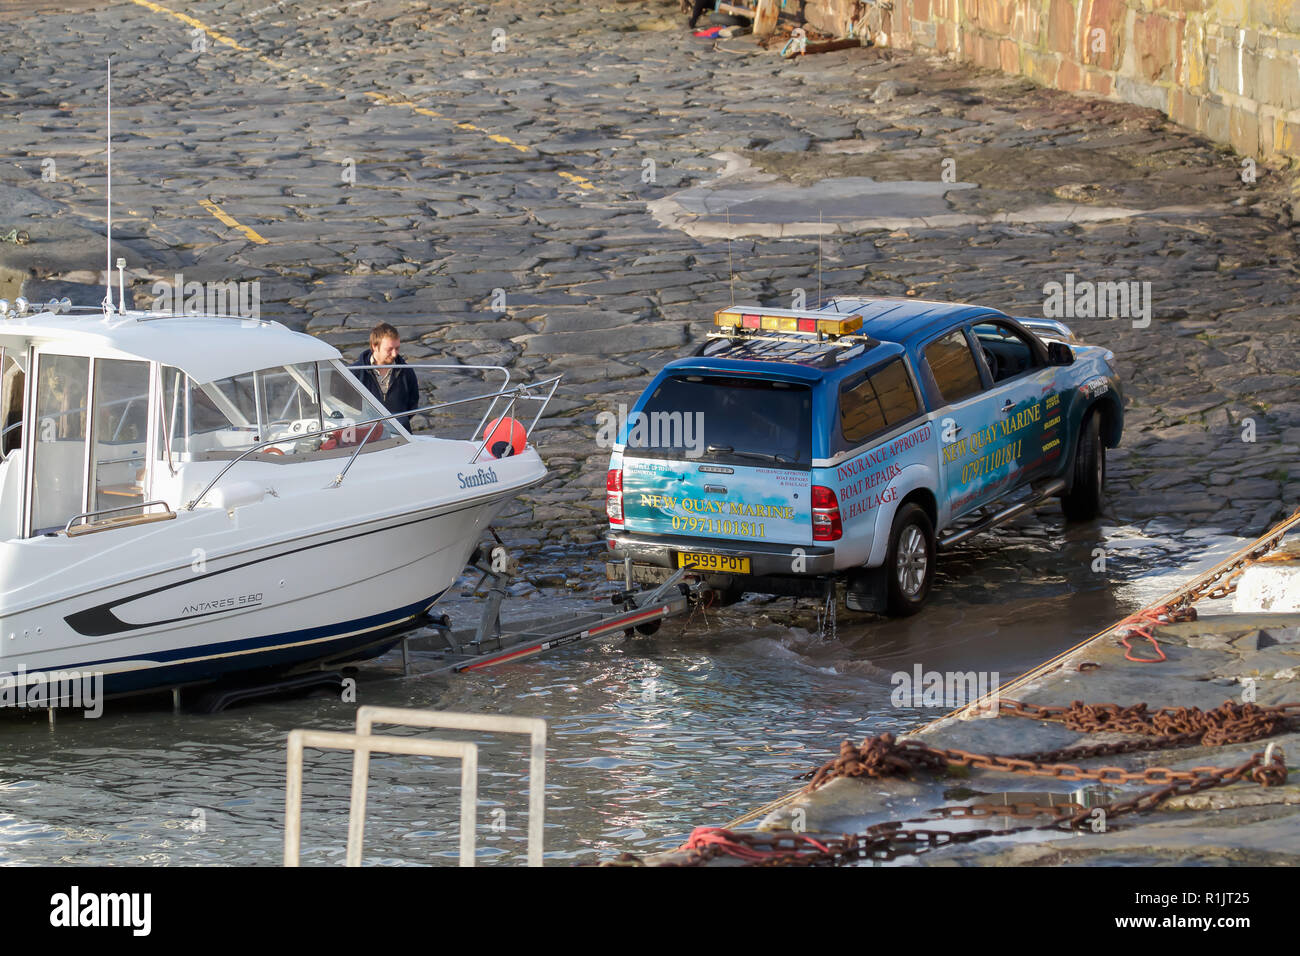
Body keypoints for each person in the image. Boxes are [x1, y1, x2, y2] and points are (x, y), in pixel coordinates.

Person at [352, 322, 420, 432]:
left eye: (397, 348)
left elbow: (412, 404)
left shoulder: (406, 371)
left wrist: (400, 422)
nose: (394, 354)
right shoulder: (355, 373)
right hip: (365, 436)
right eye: (389, 349)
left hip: (400, 435)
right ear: (375, 346)